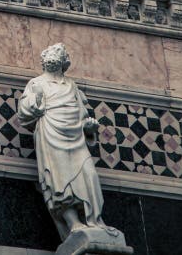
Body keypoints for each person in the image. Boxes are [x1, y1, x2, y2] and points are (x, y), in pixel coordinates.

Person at [18, 42, 116, 239]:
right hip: (51, 134)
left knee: (89, 175)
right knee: (59, 179)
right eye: (51, 53)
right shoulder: (36, 84)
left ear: (64, 62)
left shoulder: (71, 85)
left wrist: (88, 128)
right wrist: (35, 105)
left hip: (76, 137)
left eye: (59, 54)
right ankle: (74, 224)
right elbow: (25, 111)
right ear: (44, 60)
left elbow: (81, 112)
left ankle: (94, 220)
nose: (54, 56)